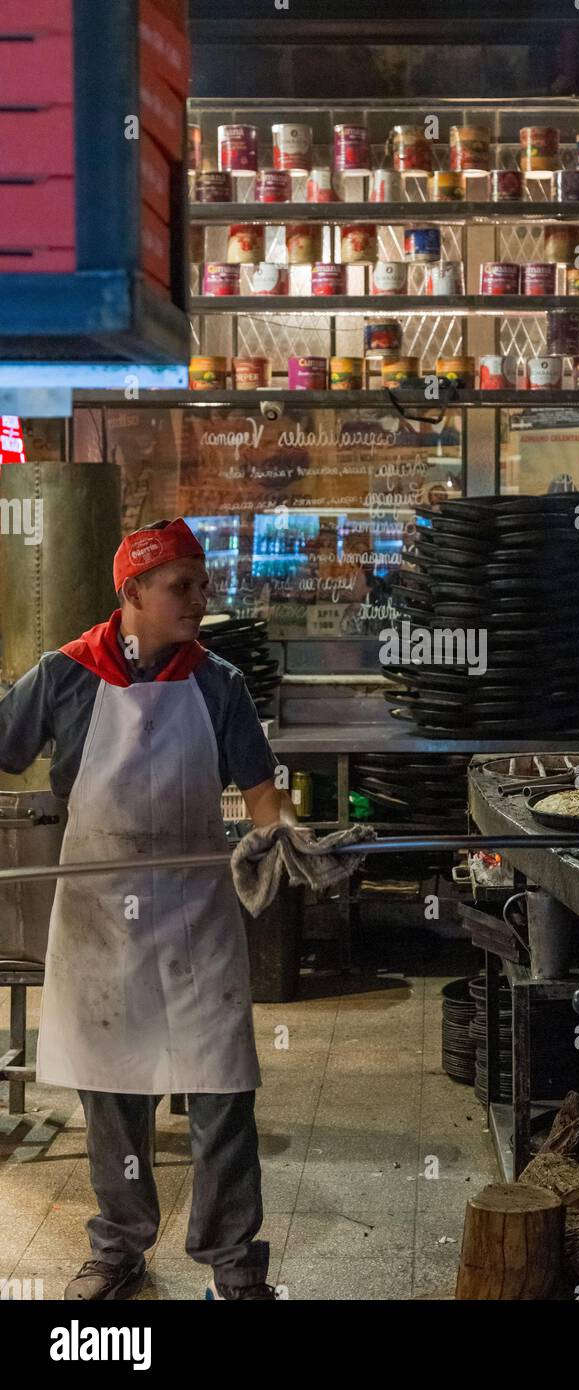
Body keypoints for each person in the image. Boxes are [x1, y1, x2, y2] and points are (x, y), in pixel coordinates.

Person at [0, 518, 299, 1301]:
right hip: (101, 920)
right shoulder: (63, 676)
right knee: (113, 1093)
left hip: (197, 917)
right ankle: (119, 1247)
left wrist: (288, 842)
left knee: (223, 1094)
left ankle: (235, 1268)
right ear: (132, 590)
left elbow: (265, 796)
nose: (202, 600)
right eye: (183, 586)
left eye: (203, 584)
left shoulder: (218, 683)